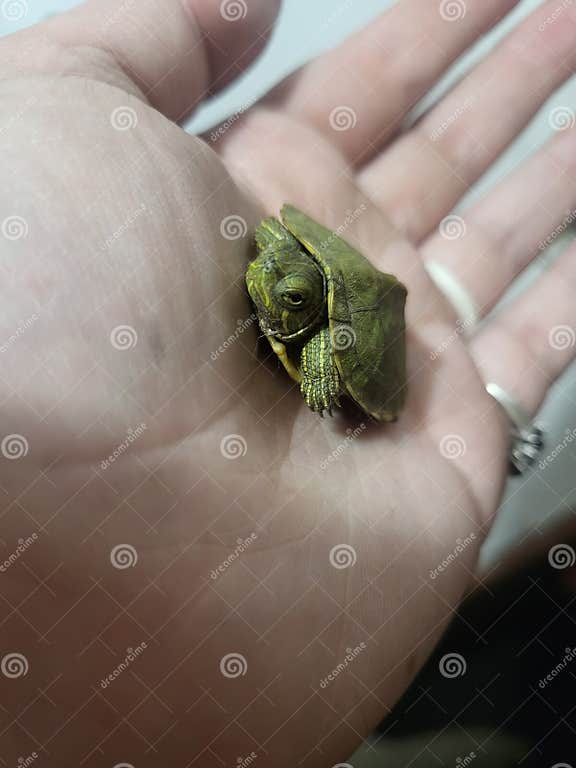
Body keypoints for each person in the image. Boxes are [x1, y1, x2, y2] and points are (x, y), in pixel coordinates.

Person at [0, 0, 574, 765]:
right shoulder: (280, 262)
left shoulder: (323, 345)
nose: (267, 286)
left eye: (291, 302)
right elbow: (281, 255)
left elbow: (325, 381)